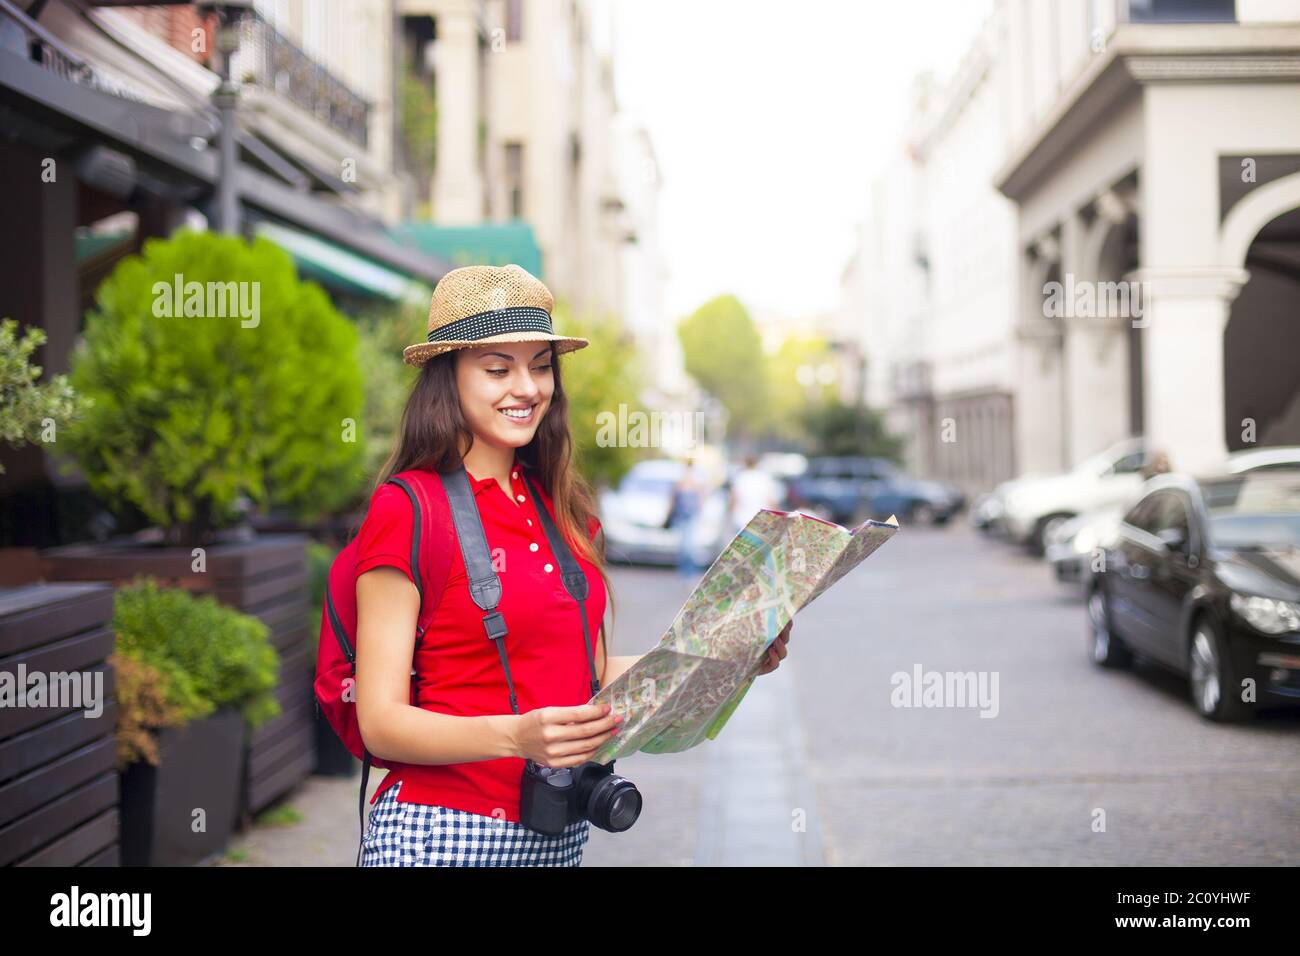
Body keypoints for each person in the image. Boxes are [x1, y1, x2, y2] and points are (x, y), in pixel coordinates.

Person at [353, 265, 792, 867]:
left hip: (557, 838)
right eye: (497, 367)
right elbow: (379, 723)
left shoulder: (562, 508)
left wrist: (731, 656)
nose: (527, 387)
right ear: (447, 378)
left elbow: (581, 678)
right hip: (440, 836)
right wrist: (515, 735)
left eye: (540, 365)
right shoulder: (409, 508)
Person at [668, 454, 709, 577]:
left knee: (688, 546)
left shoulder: (692, 479)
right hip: (683, 515)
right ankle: (685, 571)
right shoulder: (683, 479)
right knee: (685, 545)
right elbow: (674, 497)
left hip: (690, 515)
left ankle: (688, 571)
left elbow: (701, 497)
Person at [727, 455, 785, 538]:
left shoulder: (739, 477)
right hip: (761, 517)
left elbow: (734, 499)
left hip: (741, 518)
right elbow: (770, 499)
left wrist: (730, 514)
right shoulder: (764, 477)